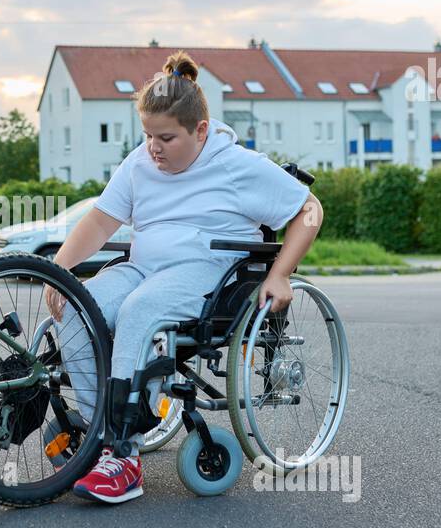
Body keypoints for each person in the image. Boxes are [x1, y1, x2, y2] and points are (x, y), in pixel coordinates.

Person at [46, 51, 324, 504]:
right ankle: (100, 435)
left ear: (200, 130)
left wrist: (281, 274)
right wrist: (59, 270)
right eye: (148, 135)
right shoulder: (140, 162)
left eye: (167, 138)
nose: (154, 147)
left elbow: (310, 209)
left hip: (206, 273)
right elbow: (100, 221)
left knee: (140, 311)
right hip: (142, 268)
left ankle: (123, 456)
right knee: (78, 305)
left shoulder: (236, 165)